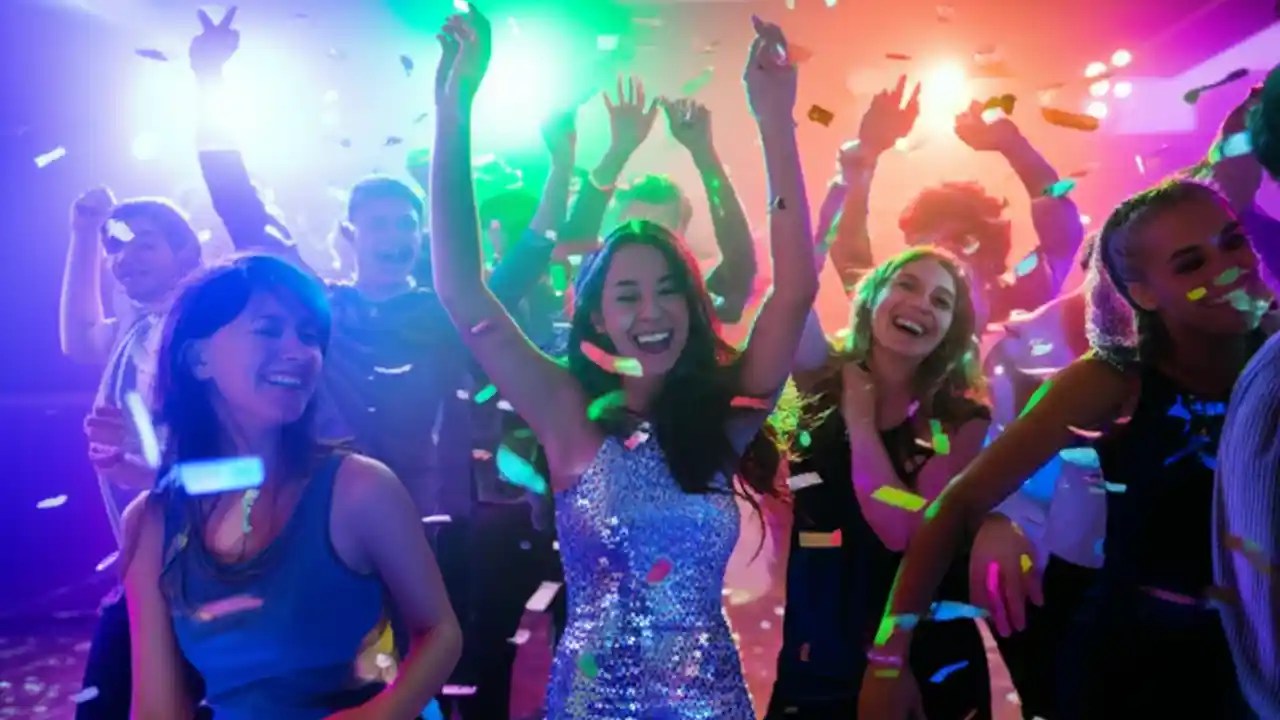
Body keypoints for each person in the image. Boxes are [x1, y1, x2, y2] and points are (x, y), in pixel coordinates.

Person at [429, 9, 816, 718]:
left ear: (692, 307)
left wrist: (774, 118)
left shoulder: (724, 419)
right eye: (628, 296)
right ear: (598, 317)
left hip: (709, 704)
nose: (652, 312)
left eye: (669, 292)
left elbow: (794, 290)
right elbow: (460, 290)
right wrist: (454, 110)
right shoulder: (566, 412)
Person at [858, 178, 1273, 719]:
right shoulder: (1112, 381)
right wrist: (888, 661)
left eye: (1233, 241)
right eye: (1191, 264)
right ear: (1143, 293)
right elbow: (956, 505)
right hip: (1139, 677)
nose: (1228, 267)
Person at [119, 254, 461, 719]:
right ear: (198, 358)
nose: (300, 352)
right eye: (269, 329)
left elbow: (440, 630)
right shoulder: (152, 522)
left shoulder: (359, 489)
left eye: (310, 335)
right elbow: (156, 709)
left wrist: (379, 714)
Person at [770, 247, 991, 719]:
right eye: (907, 284)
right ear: (872, 295)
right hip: (816, 654)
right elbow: (791, 287)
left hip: (922, 663)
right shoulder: (817, 382)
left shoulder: (959, 422)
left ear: (950, 331)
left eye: (941, 301)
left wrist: (861, 422)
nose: (921, 304)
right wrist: (826, 216)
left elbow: (900, 527)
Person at [59, 187, 206, 720]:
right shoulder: (139, 320)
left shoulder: (198, 330)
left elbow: (237, 460)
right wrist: (83, 234)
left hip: (202, 553)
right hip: (149, 551)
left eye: (145, 244)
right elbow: (80, 339)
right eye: (116, 247)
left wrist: (145, 467)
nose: (125, 258)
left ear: (184, 252)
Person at [826, 78, 1085, 325]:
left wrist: (1014, 145)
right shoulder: (884, 309)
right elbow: (847, 247)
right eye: (929, 247)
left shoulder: (1014, 306)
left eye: (962, 242)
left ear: (991, 260)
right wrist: (866, 149)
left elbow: (1062, 238)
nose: (945, 258)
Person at [971, 240, 1104, 719]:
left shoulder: (1191, 346)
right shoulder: (1010, 348)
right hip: (1043, 572)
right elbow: (974, 454)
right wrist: (995, 517)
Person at [561, 83, 758, 325]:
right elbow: (578, 237)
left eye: (660, 230)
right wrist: (618, 151)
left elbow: (740, 264)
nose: (645, 240)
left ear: (681, 232)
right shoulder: (595, 289)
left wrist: (704, 153)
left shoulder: (694, 301)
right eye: (633, 228)